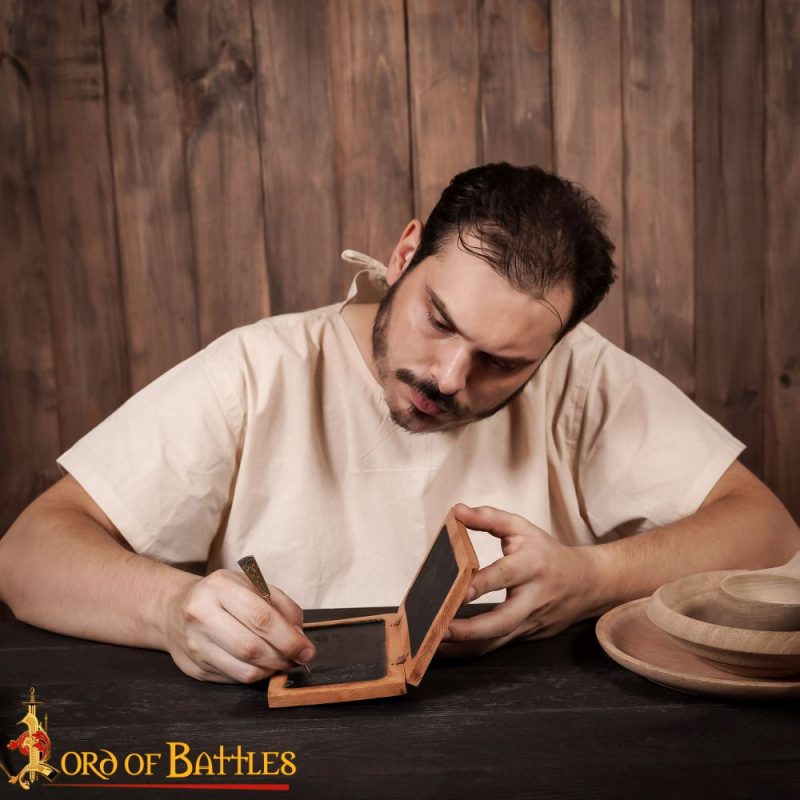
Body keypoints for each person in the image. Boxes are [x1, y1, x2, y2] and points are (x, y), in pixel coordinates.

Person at [0, 164, 797, 684]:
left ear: (552, 349)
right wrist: (173, 612)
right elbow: (27, 553)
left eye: (503, 362)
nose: (448, 378)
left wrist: (594, 577)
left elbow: (765, 527)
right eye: (438, 320)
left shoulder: (580, 372)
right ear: (405, 254)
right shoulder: (255, 370)